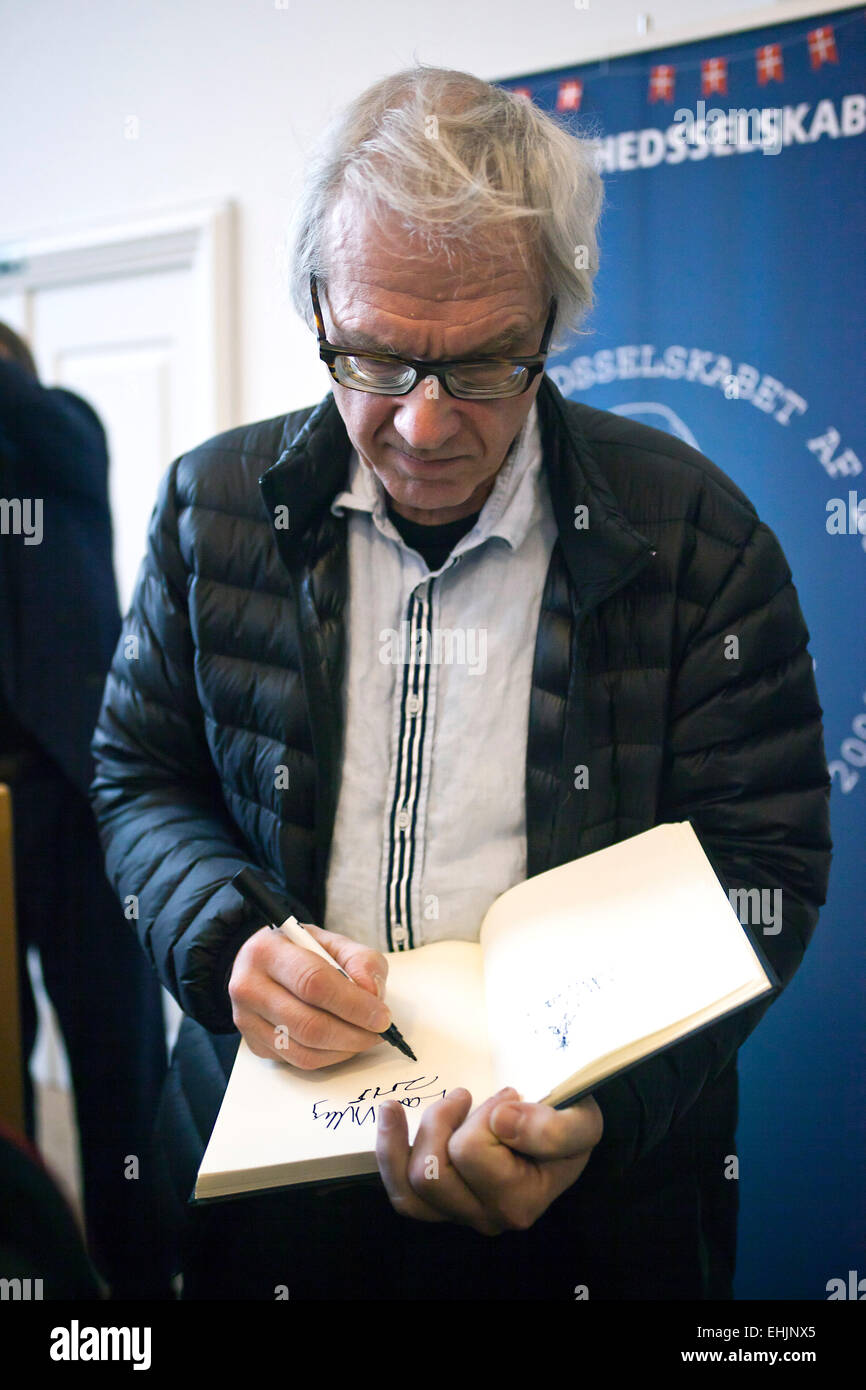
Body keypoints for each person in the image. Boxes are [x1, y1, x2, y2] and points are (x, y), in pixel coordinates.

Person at [90, 66, 831, 1300]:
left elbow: (762, 861)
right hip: (260, 1194)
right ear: (315, 304)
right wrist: (223, 937)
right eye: (375, 358)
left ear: (554, 318)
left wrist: (612, 1110)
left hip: (590, 1217)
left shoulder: (698, 531)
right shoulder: (207, 506)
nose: (424, 430)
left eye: (486, 365)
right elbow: (138, 772)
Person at [0, 325, 170, 1297]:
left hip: (75, 799)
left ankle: (140, 1288)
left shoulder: (63, 436)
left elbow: (38, 424)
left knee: (120, 1070)